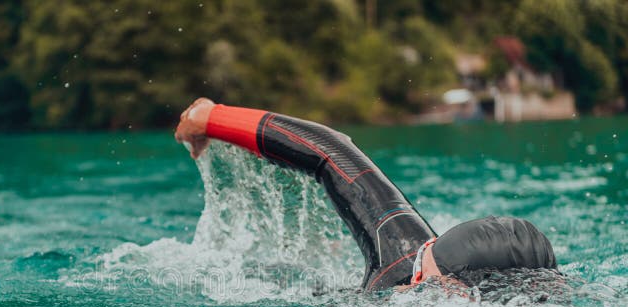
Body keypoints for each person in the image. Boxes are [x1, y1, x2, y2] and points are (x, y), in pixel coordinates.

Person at [174, 98, 558, 291]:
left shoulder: (400, 271)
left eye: (423, 268)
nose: (415, 265)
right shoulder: (550, 301)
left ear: (455, 291)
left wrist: (210, 116)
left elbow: (329, 151)